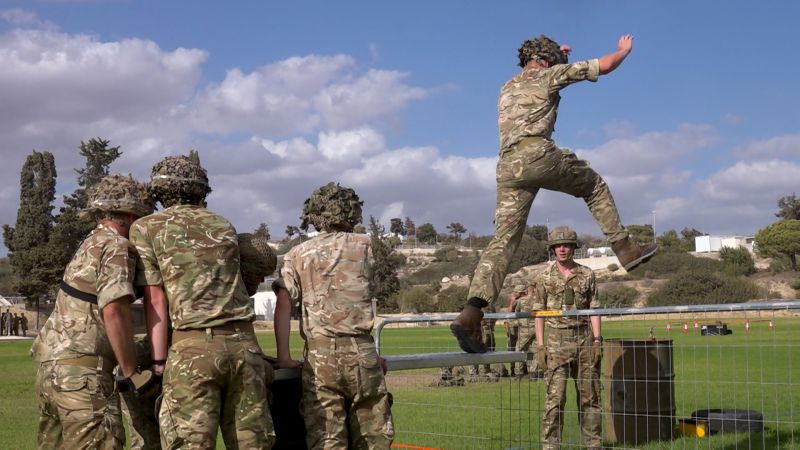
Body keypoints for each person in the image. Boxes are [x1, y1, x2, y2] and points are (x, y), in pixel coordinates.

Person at [451, 34, 657, 353]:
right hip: (537, 155)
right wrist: (622, 51)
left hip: (507, 166)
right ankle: (625, 248)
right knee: (594, 185)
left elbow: (540, 68)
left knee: (503, 241)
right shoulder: (550, 75)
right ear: (546, 62)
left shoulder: (506, 87)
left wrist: (553, 55)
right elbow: (603, 66)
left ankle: (472, 313)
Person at [129, 155, 274, 449]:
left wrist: (158, 364)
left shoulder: (146, 228)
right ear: (201, 190)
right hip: (243, 348)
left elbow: (155, 298)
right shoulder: (223, 224)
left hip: (192, 350)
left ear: (159, 191)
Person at [31, 175, 155, 449]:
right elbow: (114, 310)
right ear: (131, 214)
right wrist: (132, 371)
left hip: (51, 373)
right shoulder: (117, 246)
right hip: (83, 378)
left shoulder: (90, 243)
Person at [274, 182, 394, 449]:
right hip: (362, 351)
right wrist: (369, 354)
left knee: (326, 439)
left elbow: (283, 304)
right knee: (374, 438)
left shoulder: (298, 254)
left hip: (320, 358)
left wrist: (284, 356)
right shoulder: (365, 246)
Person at [532, 226, 603, 450]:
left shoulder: (587, 275)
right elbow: (539, 313)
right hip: (556, 343)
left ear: (574, 248)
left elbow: (594, 309)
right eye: (558, 246)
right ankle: (551, 447)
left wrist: (597, 340)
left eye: (567, 245)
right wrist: (541, 346)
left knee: (590, 399)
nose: (562, 249)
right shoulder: (543, 277)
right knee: (554, 401)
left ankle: (593, 445)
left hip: (584, 341)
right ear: (552, 249)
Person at [503, 285, 526, 377]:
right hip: (512, 328)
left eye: (517, 292)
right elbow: (509, 312)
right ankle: (513, 370)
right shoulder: (516, 301)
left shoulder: (521, 301)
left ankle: (519, 371)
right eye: (514, 292)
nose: (514, 293)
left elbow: (510, 311)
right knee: (512, 349)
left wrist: (512, 301)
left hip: (519, 327)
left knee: (519, 349)